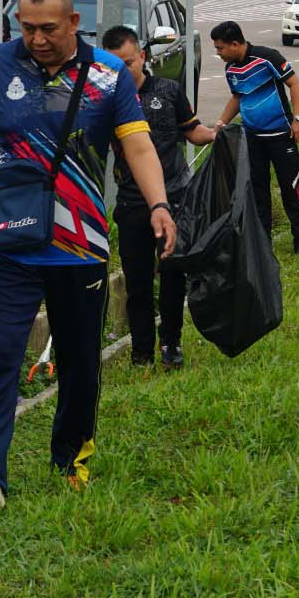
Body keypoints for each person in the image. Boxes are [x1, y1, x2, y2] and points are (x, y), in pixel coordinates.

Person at [0, 0, 177, 512]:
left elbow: (137, 148)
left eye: (47, 29)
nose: (36, 39)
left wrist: (158, 205)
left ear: (73, 23)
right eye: (26, 27)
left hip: (80, 247)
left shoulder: (108, 77)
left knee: (80, 362)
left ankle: (71, 466)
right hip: (5, 242)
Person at [103, 25, 217, 369]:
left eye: (127, 62)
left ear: (142, 56)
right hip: (131, 203)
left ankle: (171, 344)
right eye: (113, 66)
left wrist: (215, 135)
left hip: (175, 198)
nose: (122, 72)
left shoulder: (168, 91)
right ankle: (141, 352)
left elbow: (192, 130)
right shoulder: (105, 101)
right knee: (137, 283)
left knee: (171, 276)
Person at [209, 20, 299, 254]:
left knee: (290, 187)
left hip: (281, 135)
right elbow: (237, 98)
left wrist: (298, 119)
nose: (218, 53)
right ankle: (264, 244)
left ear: (235, 44)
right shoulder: (230, 69)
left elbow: (294, 83)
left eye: (220, 48)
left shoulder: (267, 58)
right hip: (253, 138)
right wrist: (220, 124)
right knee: (257, 191)